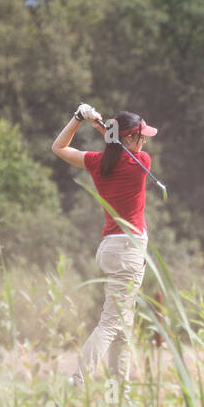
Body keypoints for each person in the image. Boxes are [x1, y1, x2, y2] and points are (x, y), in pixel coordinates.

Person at [50, 104, 158, 388]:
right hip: (129, 253)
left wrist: (79, 118)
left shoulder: (97, 162)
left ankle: (120, 395)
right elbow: (118, 144)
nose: (144, 142)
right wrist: (101, 125)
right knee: (112, 323)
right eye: (140, 136)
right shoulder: (142, 161)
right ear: (130, 139)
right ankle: (77, 380)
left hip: (110, 250)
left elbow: (59, 148)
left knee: (123, 326)